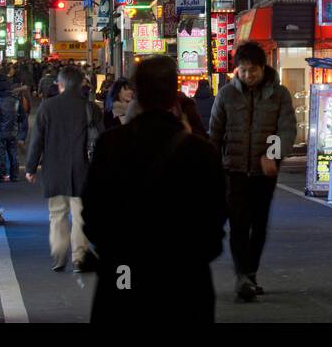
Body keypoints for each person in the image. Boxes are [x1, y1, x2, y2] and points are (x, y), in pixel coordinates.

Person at [81, 56, 226, 322]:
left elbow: (93, 209)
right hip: (185, 275)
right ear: (174, 94)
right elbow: (215, 216)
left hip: (124, 268)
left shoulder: (111, 144)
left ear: (138, 93)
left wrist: (111, 251)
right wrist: (198, 254)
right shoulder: (200, 151)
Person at [209, 42, 296, 302]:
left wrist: (272, 154)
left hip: (263, 174)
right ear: (237, 70)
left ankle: (251, 272)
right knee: (238, 224)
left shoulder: (279, 95)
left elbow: (287, 130)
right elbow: (215, 132)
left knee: (258, 226)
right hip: (233, 170)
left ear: (263, 68)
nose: (248, 76)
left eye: (253, 70)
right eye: (243, 71)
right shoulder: (225, 95)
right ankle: (241, 276)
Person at [25, 66, 102, 272]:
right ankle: (79, 258)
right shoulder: (90, 108)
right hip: (83, 170)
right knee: (80, 216)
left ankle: (59, 256)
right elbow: (101, 141)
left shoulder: (47, 107)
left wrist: (30, 167)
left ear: (60, 85)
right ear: (81, 84)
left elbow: (37, 140)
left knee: (57, 215)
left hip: (54, 169)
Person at [0, 75, 22, 183]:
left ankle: (1, 175)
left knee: (1, 153)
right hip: (13, 130)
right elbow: (21, 116)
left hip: (0, 130)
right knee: (13, 153)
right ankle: (15, 175)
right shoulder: (16, 100)